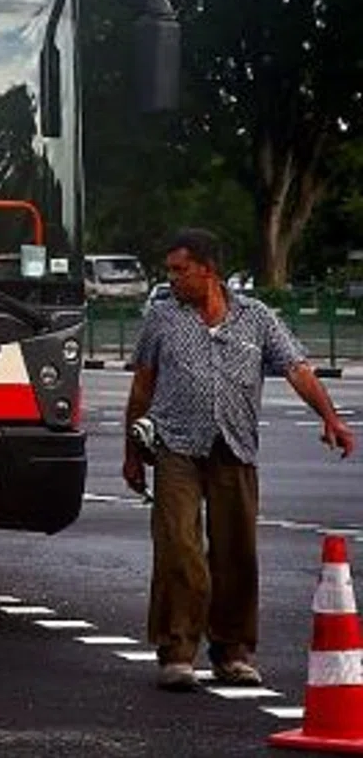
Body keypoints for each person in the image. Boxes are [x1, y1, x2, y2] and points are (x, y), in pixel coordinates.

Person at [124, 227, 355, 692]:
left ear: (208, 270)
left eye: (180, 269)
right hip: (176, 447)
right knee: (178, 548)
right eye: (168, 270)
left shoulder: (256, 318)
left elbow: (297, 368)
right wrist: (132, 454)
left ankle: (232, 652)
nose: (172, 279)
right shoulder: (162, 318)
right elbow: (142, 386)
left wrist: (330, 417)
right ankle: (177, 651)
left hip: (235, 447)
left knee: (236, 553)